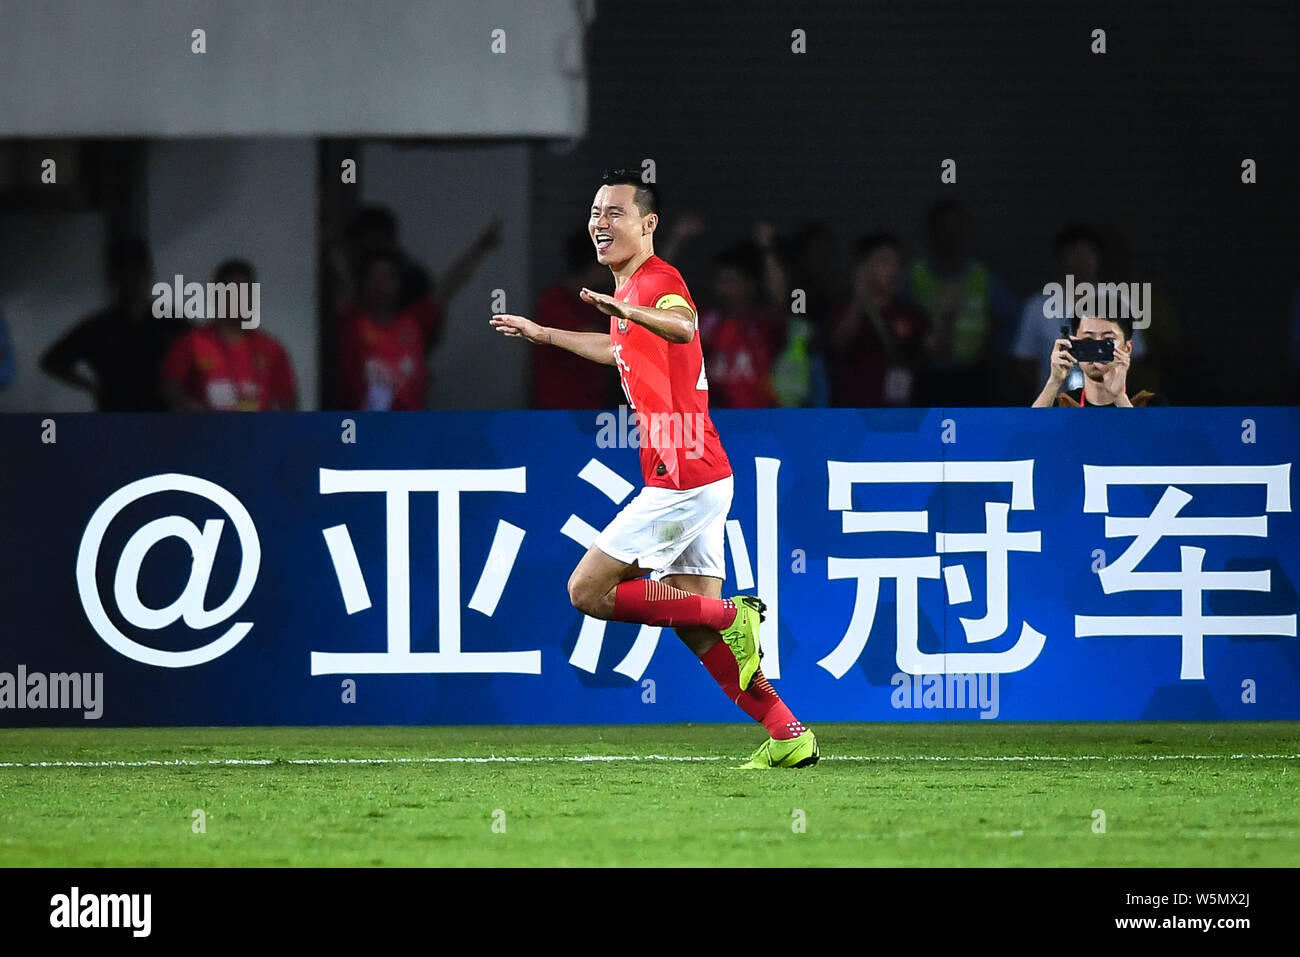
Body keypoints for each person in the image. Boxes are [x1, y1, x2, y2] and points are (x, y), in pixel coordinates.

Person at [490, 169, 818, 769]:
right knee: (693, 629)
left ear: (649, 224)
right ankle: (787, 731)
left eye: (615, 212)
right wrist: (547, 334)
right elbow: (617, 347)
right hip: (700, 472)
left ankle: (735, 614)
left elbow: (684, 323)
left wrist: (627, 310)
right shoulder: (630, 292)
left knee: (587, 589)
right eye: (595, 212)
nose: (600, 222)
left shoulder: (658, 282)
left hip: (684, 475)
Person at [331, 206, 499, 410]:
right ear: (363, 283)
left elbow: (449, 285)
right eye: (374, 278)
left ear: (398, 283)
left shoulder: (416, 321)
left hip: (410, 429)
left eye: (387, 277)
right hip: (359, 431)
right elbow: (339, 272)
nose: (380, 285)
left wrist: (480, 248)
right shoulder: (352, 323)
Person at [40, 238, 186, 410]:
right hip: (115, 415)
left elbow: (201, 356)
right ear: (115, 278)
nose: (134, 282)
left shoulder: (171, 322)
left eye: (138, 274)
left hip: (161, 415)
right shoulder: (98, 327)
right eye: (127, 274)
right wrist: (91, 387)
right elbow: (52, 361)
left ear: (149, 275)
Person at [907, 200, 1018, 405]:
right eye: (944, 228)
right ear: (931, 233)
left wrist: (991, 357)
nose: (950, 235)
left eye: (956, 228)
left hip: (973, 379)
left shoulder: (982, 277)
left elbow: (1009, 323)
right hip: (925, 378)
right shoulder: (914, 276)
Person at [161, 260, 297, 411]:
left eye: (247, 292)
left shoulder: (272, 349)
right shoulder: (191, 342)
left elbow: (288, 403)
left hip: (257, 432)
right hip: (205, 431)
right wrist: (191, 407)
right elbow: (169, 389)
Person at [829, 233, 931, 407]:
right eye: (885, 262)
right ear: (864, 266)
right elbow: (837, 343)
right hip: (854, 416)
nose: (894, 269)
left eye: (898, 262)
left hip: (899, 415)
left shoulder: (912, 313)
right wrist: (859, 298)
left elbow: (930, 353)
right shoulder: (842, 309)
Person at [698, 234, 786, 408]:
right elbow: (658, 298)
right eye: (719, 282)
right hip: (715, 419)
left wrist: (768, 252)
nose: (721, 289)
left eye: (730, 282)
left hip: (759, 420)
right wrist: (676, 240)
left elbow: (779, 299)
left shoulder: (763, 325)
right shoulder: (706, 323)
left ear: (750, 285)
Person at [530, 228, 615, 409]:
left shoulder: (595, 304)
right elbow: (604, 342)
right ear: (595, 264)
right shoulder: (554, 302)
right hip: (558, 414)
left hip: (592, 412)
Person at [1031, 312, 1165, 407]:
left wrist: (1119, 398)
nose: (1098, 350)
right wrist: (1054, 381)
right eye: (1088, 340)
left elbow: (1149, 445)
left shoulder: (1149, 403)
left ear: (1128, 348)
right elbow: (1029, 439)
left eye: (1108, 340)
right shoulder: (1063, 405)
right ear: (1074, 345)